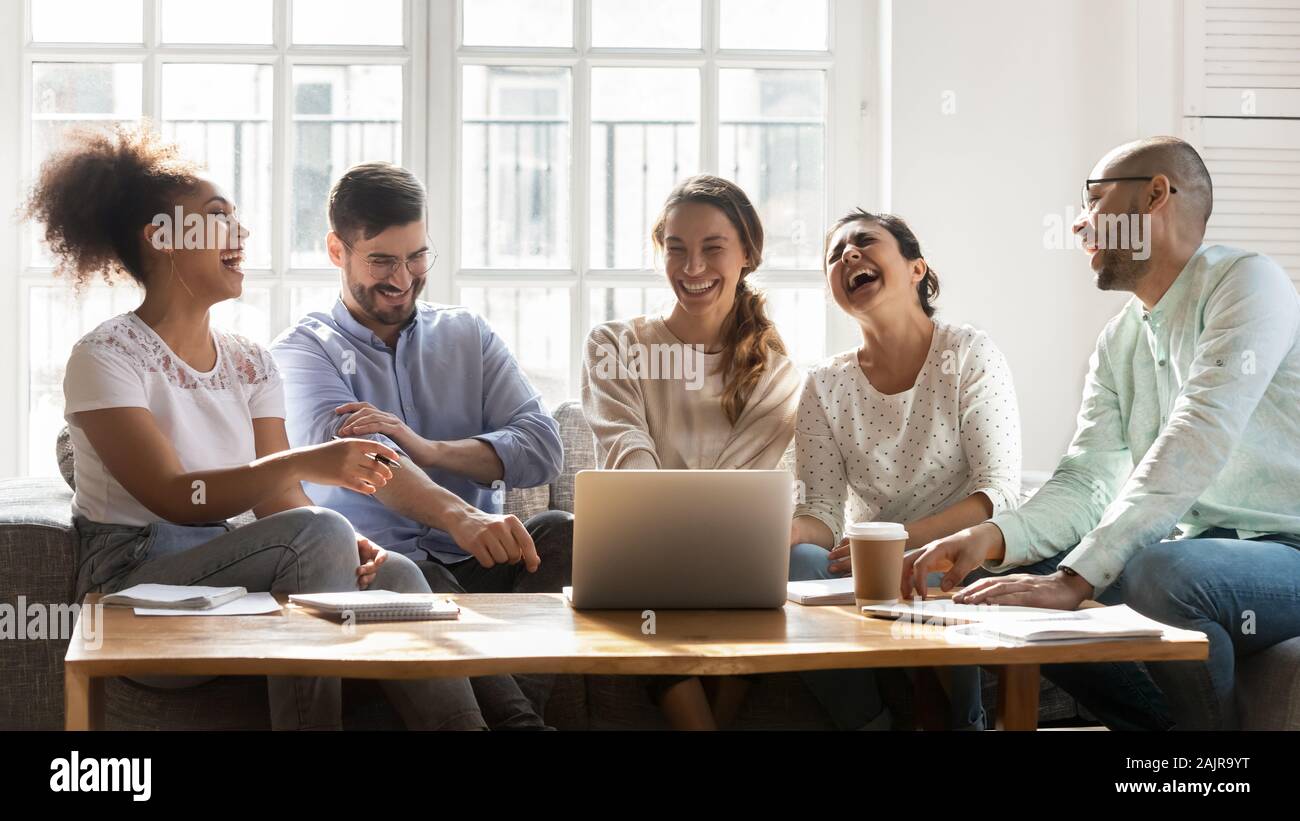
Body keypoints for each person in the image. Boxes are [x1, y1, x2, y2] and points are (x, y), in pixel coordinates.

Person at [32, 124, 517, 730]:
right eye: (217, 218)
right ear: (162, 239)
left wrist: (355, 548)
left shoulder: (250, 360)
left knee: (394, 570)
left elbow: (279, 506)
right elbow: (176, 497)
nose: (242, 234)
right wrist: (308, 467)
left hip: (235, 576)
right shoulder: (104, 356)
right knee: (317, 532)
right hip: (137, 584)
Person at [906, 136, 1300, 730]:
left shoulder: (1248, 283)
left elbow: (1199, 431)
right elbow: (1088, 479)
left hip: (1285, 552)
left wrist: (1080, 577)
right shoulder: (1120, 339)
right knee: (1005, 579)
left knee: (1157, 575)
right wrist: (990, 539)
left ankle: (1218, 770)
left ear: (1156, 195)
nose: (1078, 226)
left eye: (1093, 201)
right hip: (1194, 550)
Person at [270, 162, 570, 721]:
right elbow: (367, 460)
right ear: (337, 250)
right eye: (382, 259)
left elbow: (543, 448)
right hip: (385, 571)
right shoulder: (303, 352)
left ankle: (517, 711)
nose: (402, 278)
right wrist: (459, 513)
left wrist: (428, 448)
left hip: (479, 560)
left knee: (557, 533)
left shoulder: (468, 335)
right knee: (412, 577)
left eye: (417, 257)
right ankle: (522, 723)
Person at [581, 175, 803, 729]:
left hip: (728, 554)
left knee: (780, 568)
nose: (693, 268)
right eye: (676, 249)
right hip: (641, 545)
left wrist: (694, 531)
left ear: (747, 254)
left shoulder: (775, 371)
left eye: (712, 249)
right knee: (610, 552)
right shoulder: (615, 345)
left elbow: (733, 495)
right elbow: (626, 446)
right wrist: (666, 524)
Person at [789, 210, 1022, 730]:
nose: (848, 255)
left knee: (938, 564)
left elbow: (997, 493)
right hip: (869, 564)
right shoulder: (824, 384)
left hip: (957, 550)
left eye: (865, 242)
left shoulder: (968, 353)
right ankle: (872, 723)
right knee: (799, 560)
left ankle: (966, 723)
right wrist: (778, 533)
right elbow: (822, 512)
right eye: (835, 254)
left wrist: (905, 544)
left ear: (917, 269)